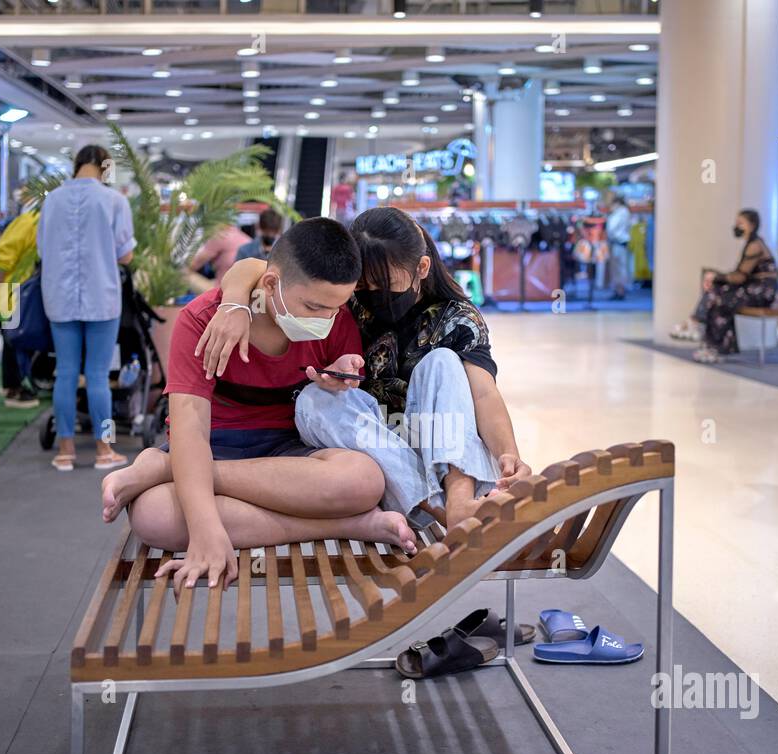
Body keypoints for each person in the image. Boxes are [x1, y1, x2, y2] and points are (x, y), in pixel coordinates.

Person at [100, 217, 419, 592]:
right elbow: (189, 428)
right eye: (314, 307)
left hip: (289, 453)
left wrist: (339, 379)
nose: (326, 320)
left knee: (363, 481)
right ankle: (349, 524)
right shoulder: (204, 320)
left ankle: (169, 469)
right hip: (212, 444)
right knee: (152, 516)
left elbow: (338, 380)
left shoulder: (337, 319)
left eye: (335, 308)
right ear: (271, 285)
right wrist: (205, 531)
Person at [202, 205, 532, 530]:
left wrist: (509, 453)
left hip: (439, 444)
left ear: (422, 268)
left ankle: (459, 500)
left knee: (443, 361)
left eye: (385, 284)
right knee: (313, 398)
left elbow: (484, 394)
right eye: (365, 285)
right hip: (374, 453)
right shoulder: (345, 299)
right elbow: (256, 268)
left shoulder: (457, 318)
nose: (374, 295)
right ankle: (438, 510)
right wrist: (233, 302)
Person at [37, 144, 135, 472]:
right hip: (102, 297)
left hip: (59, 297)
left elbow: (42, 247)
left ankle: (65, 451)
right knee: (97, 375)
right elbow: (125, 255)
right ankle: (104, 449)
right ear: (105, 166)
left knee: (65, 372)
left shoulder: (51, 200)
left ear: (77, 164)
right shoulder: (114, 201)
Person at [683, 209, 778, 362]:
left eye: (741, 223)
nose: (737, 226)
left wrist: (716, 277)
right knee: (718, 299)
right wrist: (715, 278)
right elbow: (738, 275)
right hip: (751, 288)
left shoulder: (755, 245)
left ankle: (696, 323)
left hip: (762, 292)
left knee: (718, 296)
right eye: (736, 223)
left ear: (752, 225)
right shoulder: (751, 244)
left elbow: (740, 277)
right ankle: (712, 347)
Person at [0, 202, 40, 409]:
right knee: (14, 336)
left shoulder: (38, 220)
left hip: (14, 288)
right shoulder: (33, 222)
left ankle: (10, 385)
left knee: (11, 336)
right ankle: (13, 388)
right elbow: (6, 252)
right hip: (6, 286)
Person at [605, 193, 632, 299]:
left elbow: (612, 228)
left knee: (619, 268)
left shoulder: (621, 212)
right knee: (617, 268)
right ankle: (618, 290)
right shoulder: (622, 212)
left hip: (619, 243)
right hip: (617, 243)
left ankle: (620, 290)